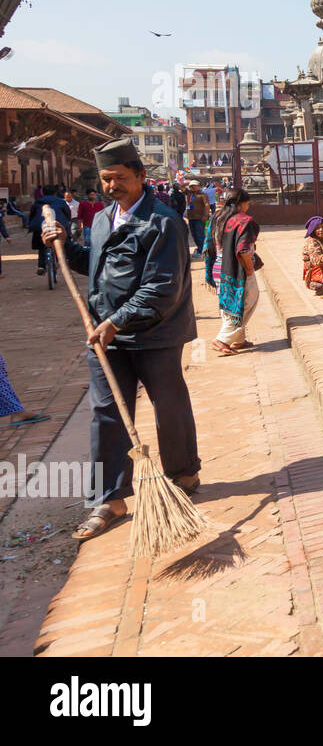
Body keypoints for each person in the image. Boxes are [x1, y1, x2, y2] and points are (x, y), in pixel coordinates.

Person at [41, 138, 200, 542]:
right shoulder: (100, 219)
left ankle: (182, 473)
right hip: (105, 335)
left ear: (141, 177)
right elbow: (96, 265)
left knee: (169, 403)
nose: (112, 186)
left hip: (157, 332)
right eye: (106, 179)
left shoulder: (164, 222)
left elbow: (163, 287)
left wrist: (117, 320)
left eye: (120, 179)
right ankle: (109, 498)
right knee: (106, 413)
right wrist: (64, 244)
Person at [206, 188, 261, 355]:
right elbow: (243, 250)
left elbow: (208, 243)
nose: (248, 206)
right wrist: (249, 270)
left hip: (218, 267)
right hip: (236, 269)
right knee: (246, 302)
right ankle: (223, 339)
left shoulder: (217, 217)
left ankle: (237, 340)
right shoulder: (244, 221)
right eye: (247, 203)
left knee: (227, 305)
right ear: (241, 203)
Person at [29, 186, 71, 276]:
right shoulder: (61, 202)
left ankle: (41, 266)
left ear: (43, 193)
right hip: (58, 226)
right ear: (55, 193)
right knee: (59, 243)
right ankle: (60, 260)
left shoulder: (37, 202)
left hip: (40, 227)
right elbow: (68, 214)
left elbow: (32, 214)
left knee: (42, 245)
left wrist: (31, 225)